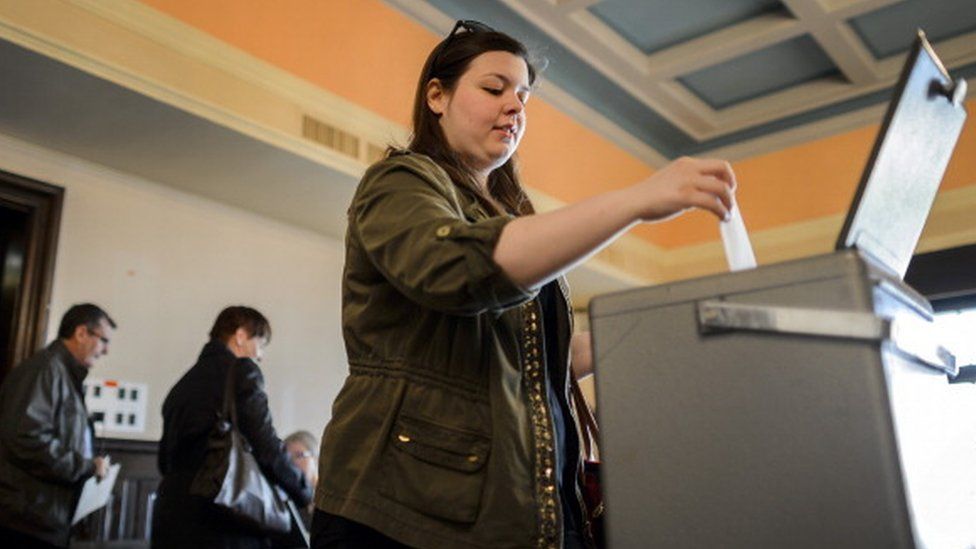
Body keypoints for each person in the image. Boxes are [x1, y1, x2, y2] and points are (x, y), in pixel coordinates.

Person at [312, 20, 736, 549]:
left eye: (523, 97)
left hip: (512, 514)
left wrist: (653, 332)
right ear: (437, 96)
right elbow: (452, 267)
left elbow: (536, 359)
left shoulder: (511, 218)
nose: (515, 106)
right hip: (405, 513)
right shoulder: (398, 181)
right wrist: (634, 201)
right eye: (495, 88)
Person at [153, 306, 313, 549]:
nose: (260, 355)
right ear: (240, 336)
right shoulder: (241, 371)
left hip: (171, 515)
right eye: (260, 343)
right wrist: (302, 489)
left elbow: (164, 461)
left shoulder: (180, 387)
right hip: (220, 517)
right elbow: (265, 444)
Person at [0, 303, 115, 548]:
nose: (106, 350)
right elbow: (26, 440)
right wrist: (85, 466)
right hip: (27, 520)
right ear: (81, 333)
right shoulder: (45, 370)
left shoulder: (63, 373)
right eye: (104, 340)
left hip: (44, 518)